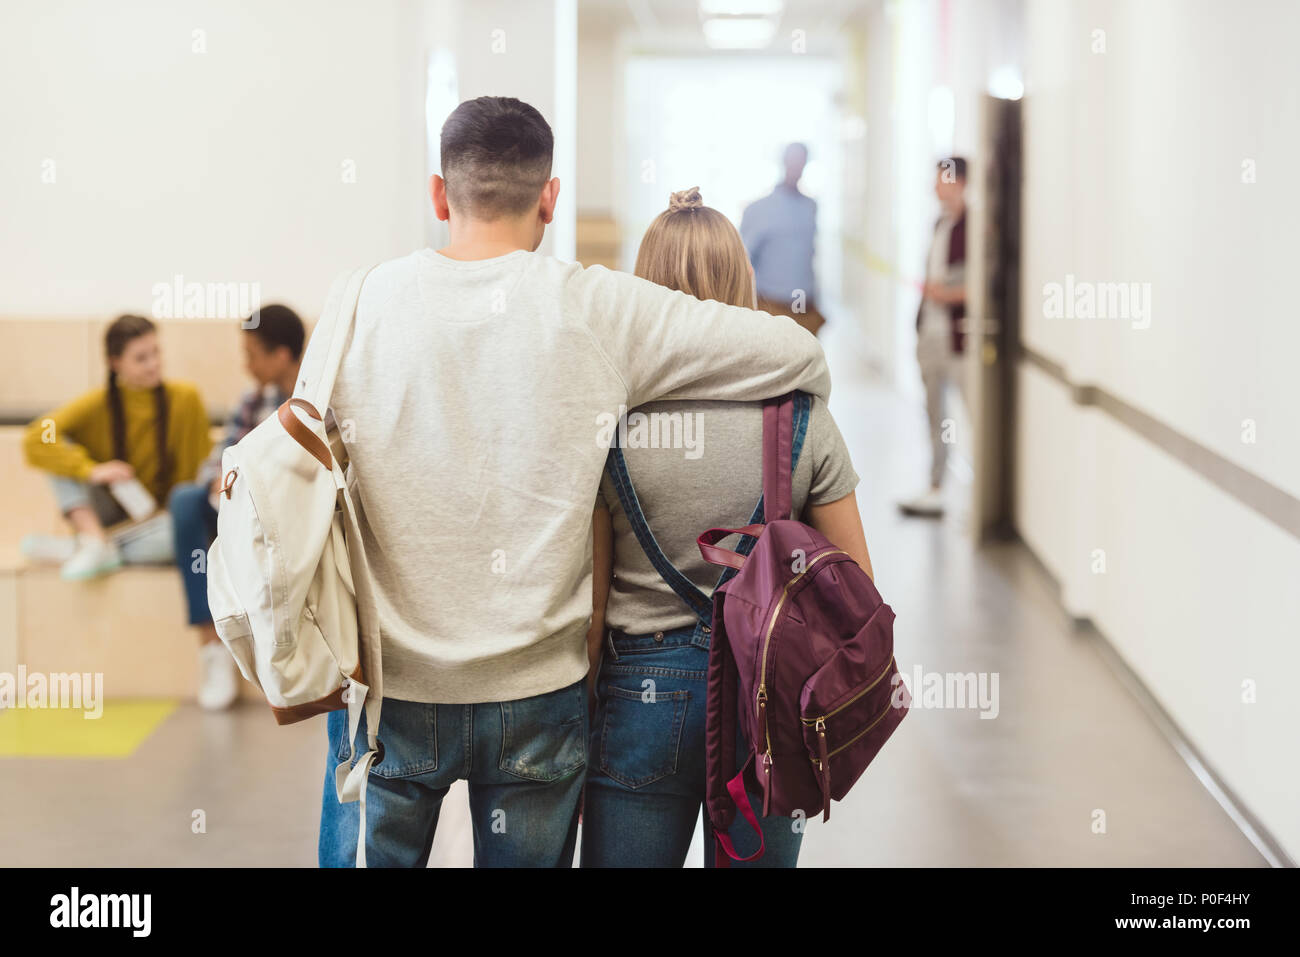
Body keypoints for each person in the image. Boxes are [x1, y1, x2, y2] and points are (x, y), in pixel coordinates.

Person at [317, 96, 831, 868]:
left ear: (437, 193)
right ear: (549, 199)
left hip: (392, 689)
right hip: (535, 694)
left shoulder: (356, 303)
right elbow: (795, 353)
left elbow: (299, 465)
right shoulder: (594, 304)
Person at [580, 187, 874, 868]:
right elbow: (854, 586)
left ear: (643, 289)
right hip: (768, 700)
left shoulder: (611, 415)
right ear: (742, 281)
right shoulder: (802, 412)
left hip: (640, 695)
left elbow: (590, 614)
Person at [168, 305, 305, 711]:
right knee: (184, 500)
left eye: (251, 354)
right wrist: (218, 477)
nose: (246, 364)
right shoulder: (252, 401)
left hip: (289, 513)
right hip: (238, 505)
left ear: (280, 355)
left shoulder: (316, 400)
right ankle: (212, 647)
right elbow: (219, 458)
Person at [21, 315, 211, 580]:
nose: (154, 364)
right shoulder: (98, 403)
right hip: (107, 512)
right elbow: (40, 435)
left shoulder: (185, 399)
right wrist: (91, 470)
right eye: (141, 358)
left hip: (157, 523)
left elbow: (196, 474)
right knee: (54, 445)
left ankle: (87, 548)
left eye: (156, 353)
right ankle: (93, 539)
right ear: (115, 363)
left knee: (180, 537)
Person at [899, 156, 968, 518]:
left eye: (940, 180)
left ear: (958, 181)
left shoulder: (973, 227)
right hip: (930, 334)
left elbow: (978, 286)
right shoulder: (939, 223)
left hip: (960, 340)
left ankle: (981, 499)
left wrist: (943, 293)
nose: (934, 187)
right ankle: (936, 487)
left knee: (969, 413)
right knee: (934, 414)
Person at [740, 142, 824, 337]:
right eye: (792, 161)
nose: (797, 167)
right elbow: (743, 262)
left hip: (805, 308)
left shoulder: (811, 208)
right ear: (783, 162)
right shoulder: (758, 210)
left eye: (801, 161)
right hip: (771, 309)